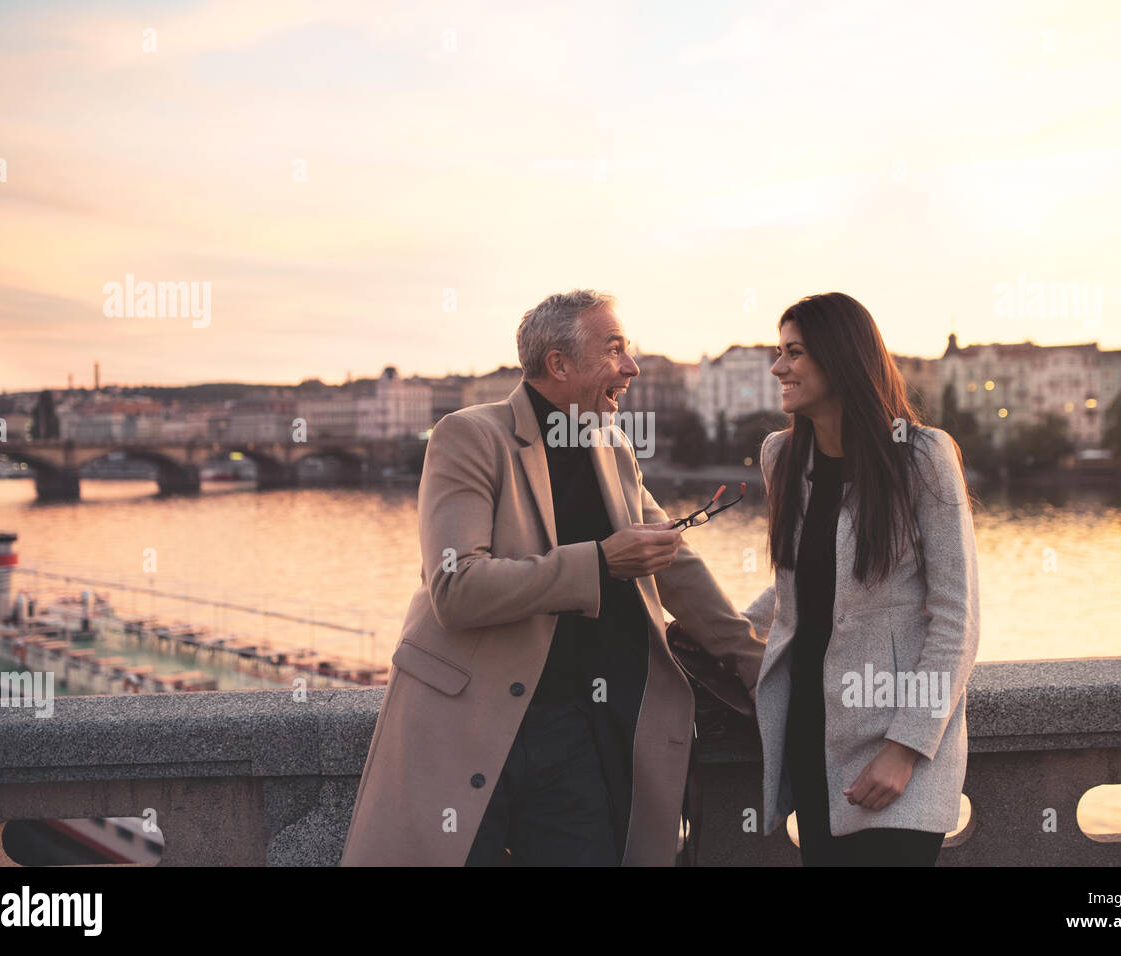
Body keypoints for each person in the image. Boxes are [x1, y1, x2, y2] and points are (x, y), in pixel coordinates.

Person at [340, 289, 764, 866]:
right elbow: (455, 589)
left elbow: (673, 561)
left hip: (572, 730)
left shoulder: (612, 445)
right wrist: (600, 562)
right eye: (613, 350)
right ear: (558, 364)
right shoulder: (469, 435)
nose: (631, 367)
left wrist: (749, 658)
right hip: (467, 722)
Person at [741, 292, 980, 866]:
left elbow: (957, 617)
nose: (779, 368)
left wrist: (906, 748)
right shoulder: (781, 456)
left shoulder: (922, 457)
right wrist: (712, 629)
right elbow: (796, 586)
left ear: (839, 356)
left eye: (793, 353)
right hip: (812, 730)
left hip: (897, 740)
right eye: (780, 353)